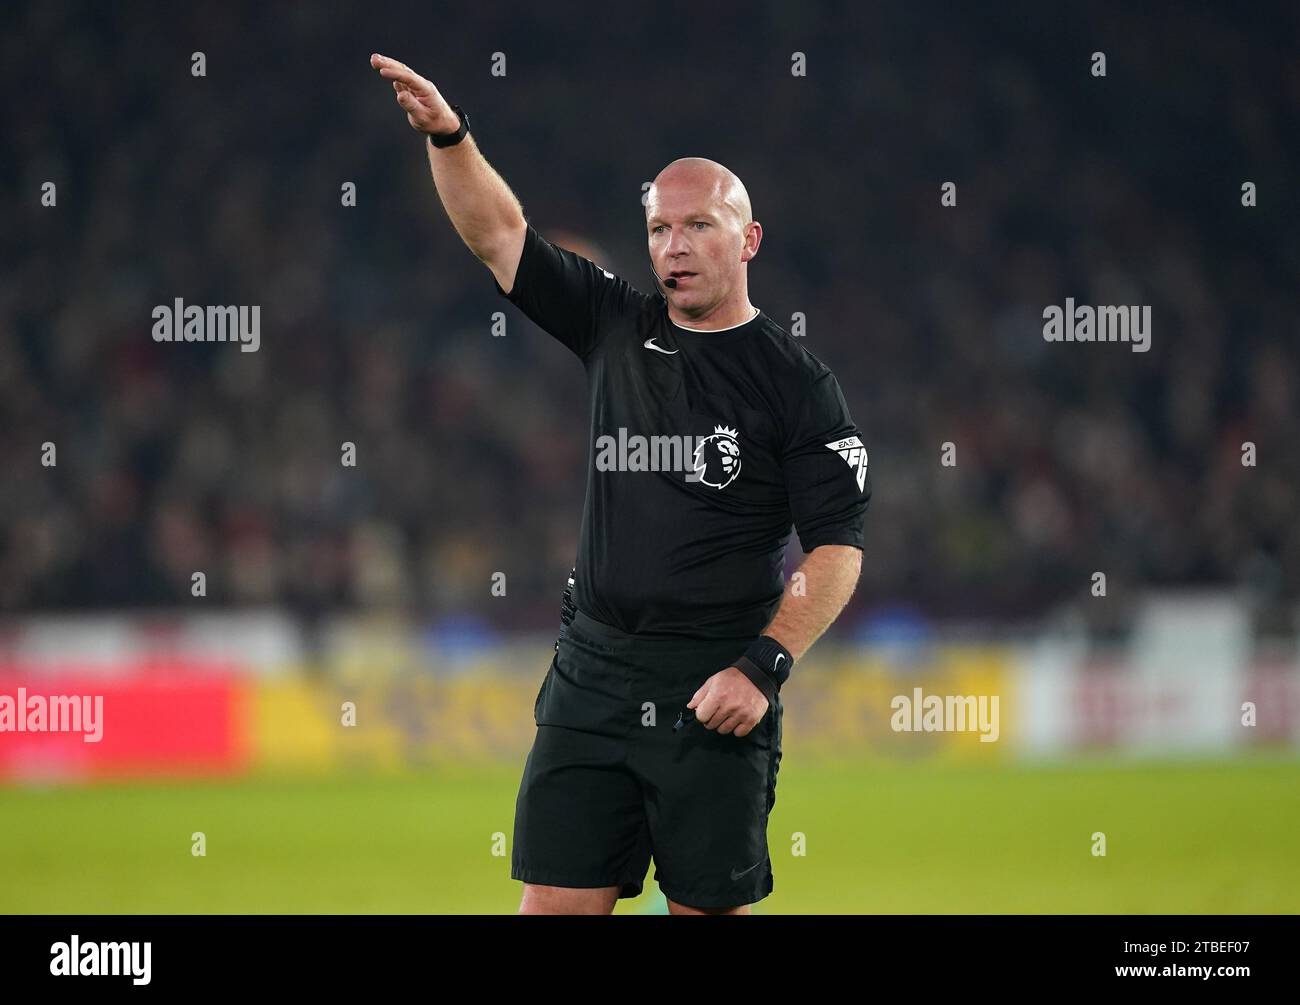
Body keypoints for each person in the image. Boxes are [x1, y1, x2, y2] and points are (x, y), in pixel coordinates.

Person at [372, 53, 871, 915]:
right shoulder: (613, 325)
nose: (673, 247)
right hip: (592, 671)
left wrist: (762, 667)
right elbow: (500, 234)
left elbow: (838, 549)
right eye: (658, 229)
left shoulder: (797, 384)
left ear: (748, 239)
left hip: (712, 682)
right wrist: (450, 137)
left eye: (699, 227)